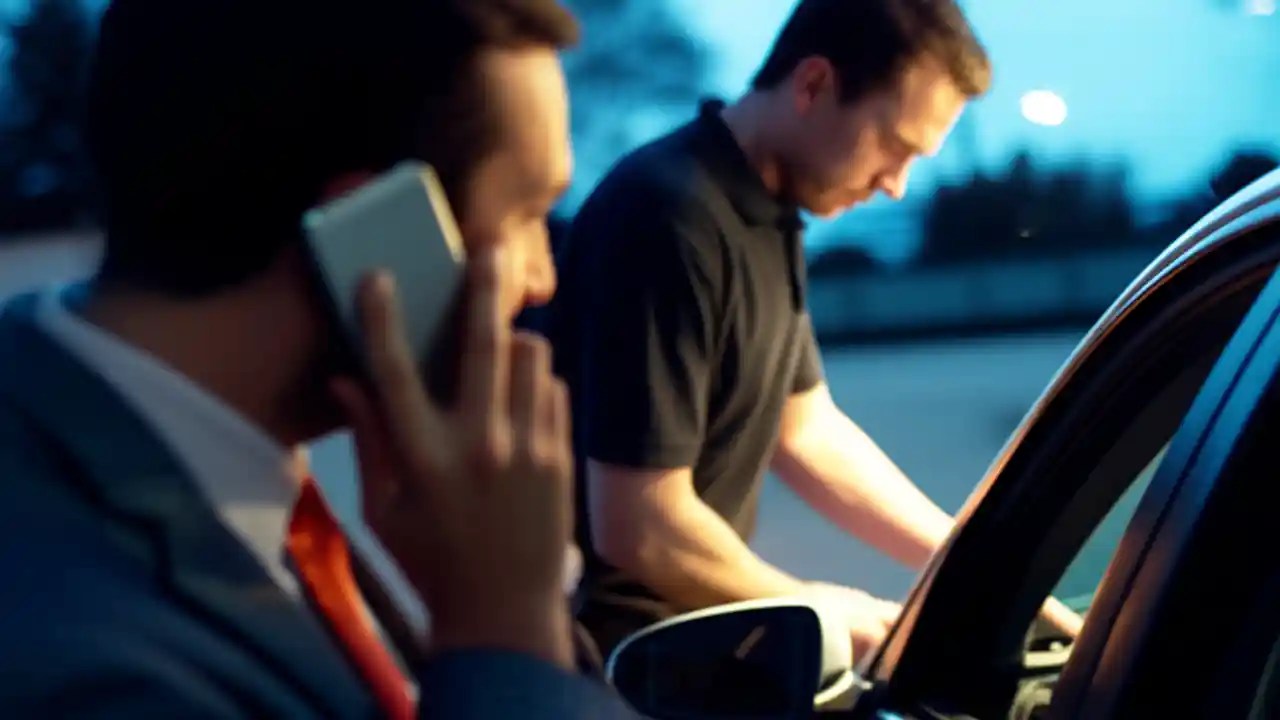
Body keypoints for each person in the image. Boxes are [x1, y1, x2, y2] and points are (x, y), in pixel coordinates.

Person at [0, 0, 641, 717]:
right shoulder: (89, 674)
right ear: (374, 239)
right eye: (526, 215)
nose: (543, 276)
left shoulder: (249, 472)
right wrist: (509, 638)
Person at [552, 0, 1084, 662]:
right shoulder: (668, 216)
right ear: (812, 85)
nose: (896, 185)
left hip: (696, 641)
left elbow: (804, 429)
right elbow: (639, 525)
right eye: (893, 146)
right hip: (623, 665)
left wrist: (968, 562)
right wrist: (822, 611)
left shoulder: (768, 212)